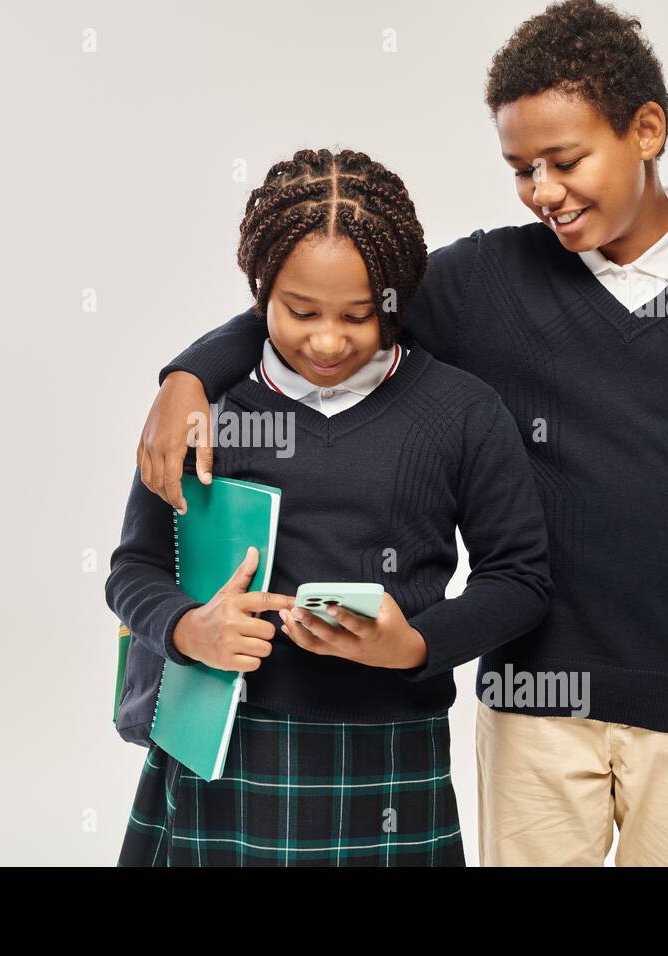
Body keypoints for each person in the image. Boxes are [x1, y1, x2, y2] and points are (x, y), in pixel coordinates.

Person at [133, 0, 668, 866]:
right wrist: (188, 376)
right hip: (531, 706)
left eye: (565, 160)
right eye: (520, 168)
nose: (544, 191)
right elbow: (328, 308)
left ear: (646, 130)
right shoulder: (485, 278)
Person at [107, 147, 551, 866]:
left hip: (389, 753)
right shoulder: (207, 409)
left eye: (357, 315)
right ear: (260, 294)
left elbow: (520, 579)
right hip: (224, 742)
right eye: (300, 310)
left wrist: (416, 645)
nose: (326, 339)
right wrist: (190, 629)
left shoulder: (464, 412)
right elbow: (133, 569)